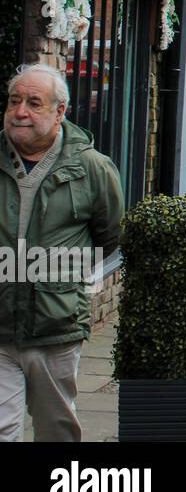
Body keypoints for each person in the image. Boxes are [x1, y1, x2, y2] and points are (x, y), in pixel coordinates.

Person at [1, 63, 123, 442]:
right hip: (0, 325)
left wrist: (63, 282)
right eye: (14, 101)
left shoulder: (92, 169)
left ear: (59, 112)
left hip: (56, 326)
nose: (20, 111)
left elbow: (111, 235)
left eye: (34, 103)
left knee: (56, 430)